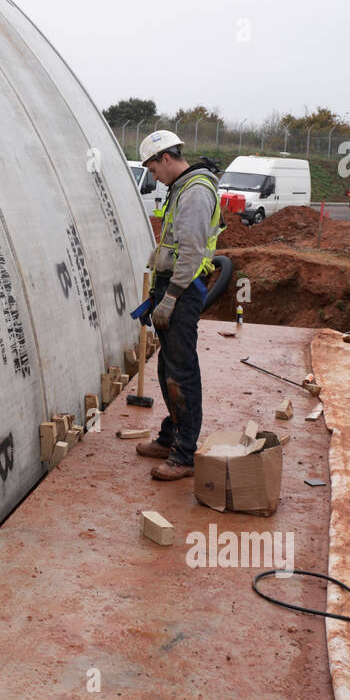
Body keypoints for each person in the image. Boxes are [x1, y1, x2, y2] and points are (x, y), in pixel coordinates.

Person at [134, 130, 223, 480]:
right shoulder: (182, 187)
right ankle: (171, 437)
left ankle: (185, 455)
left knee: (181, 373)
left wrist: (170, 298)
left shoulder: (196, 192)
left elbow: (191, 252)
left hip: (182, 291)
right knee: (167, 369)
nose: (154, 177)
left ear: (166, 159)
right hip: (172, 286)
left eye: (154, 170)